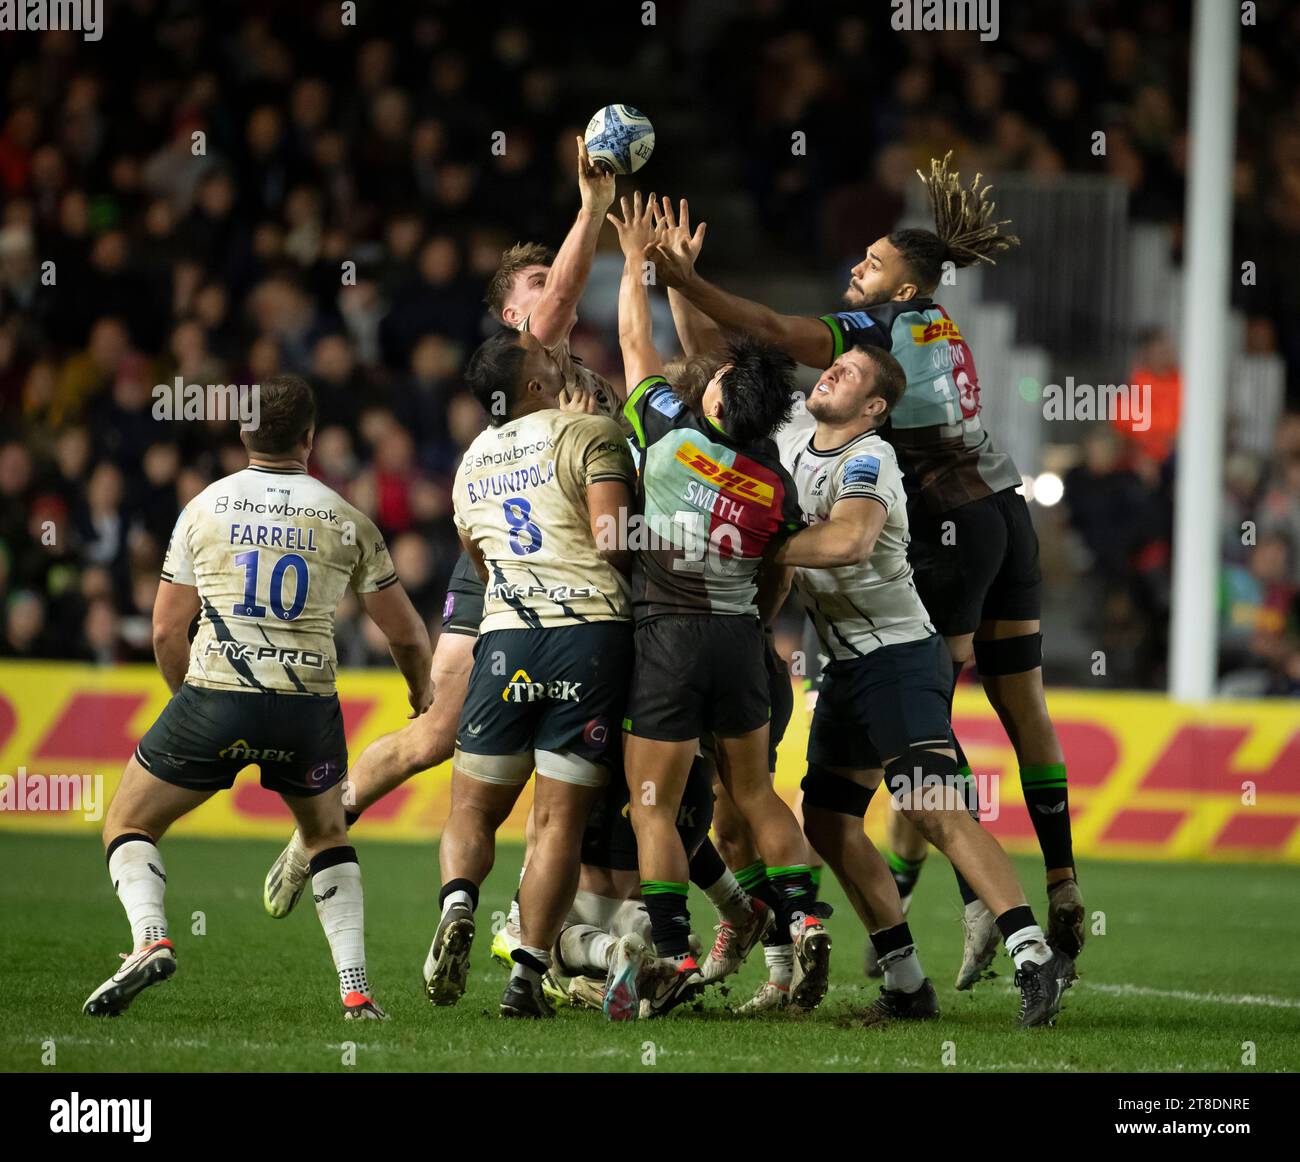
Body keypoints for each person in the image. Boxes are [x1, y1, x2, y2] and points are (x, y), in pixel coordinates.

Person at [648, 160, 1084, 987]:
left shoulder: (876, 389)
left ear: (908, 286)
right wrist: (681, 289)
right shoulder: (910, 352)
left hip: (935, 553)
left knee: (925, 776)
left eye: (874, 261)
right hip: (995, 507)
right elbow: (726, 370)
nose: (858, 269)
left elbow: (773, 331)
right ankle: (1007, 910)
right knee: (863, 793)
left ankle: (998, 912)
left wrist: (746, 544)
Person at [262, 137, 622, 918]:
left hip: (567, 571)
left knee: (512, 759)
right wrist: (592, 208)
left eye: (550, 274)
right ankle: (327, 821)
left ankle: (561, 937)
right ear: (510, 312)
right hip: (505, 563)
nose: (556, 285)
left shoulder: (582, 378)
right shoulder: (526, 356)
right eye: (536, 281)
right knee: (438, 733)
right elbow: (560, 302)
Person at [84, 375, 432, 1021]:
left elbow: (165, 629)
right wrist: (422, 693)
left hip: (216, 698)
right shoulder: (346, 518)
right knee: (326, 834)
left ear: (243, 432)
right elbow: (407, 633)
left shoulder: (205, 507)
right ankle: (355, 991)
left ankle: (149, 939)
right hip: (306, 710)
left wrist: (188, 703)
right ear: (310, 439)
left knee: (128, 822)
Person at [769, 344, 1076, 1027]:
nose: (829, 372)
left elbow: (848, 541)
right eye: (831, 364)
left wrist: (751, 542)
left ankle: (1033, 953)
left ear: (874, 408)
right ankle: (907, 984)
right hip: (848, 665)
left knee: (935, 807)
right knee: (825, 817)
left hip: (900, 658)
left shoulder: (870, 459)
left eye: (848, 373)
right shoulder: (795, 446)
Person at [607, 192, 831, 1015]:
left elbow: (635, 345)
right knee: (757, 796)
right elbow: (783, 571)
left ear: (715, 399)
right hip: (744, 641)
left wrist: (637, 260)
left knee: (654, 804)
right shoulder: (774, 474)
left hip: (667, 637)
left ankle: (672, 956)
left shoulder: (669, 437)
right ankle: (805, 918)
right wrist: (682, 278)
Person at [423, 327, 637, 1019]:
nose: (562, 355)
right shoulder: (591, 433)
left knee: (472, 810)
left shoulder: (474, 458)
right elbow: (614, 544)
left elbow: (480, 561)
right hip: (588, 639)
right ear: (538, 386)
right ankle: (525, 977)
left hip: (507, 638)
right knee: (556, 824)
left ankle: (458, 900)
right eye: (550, 358)